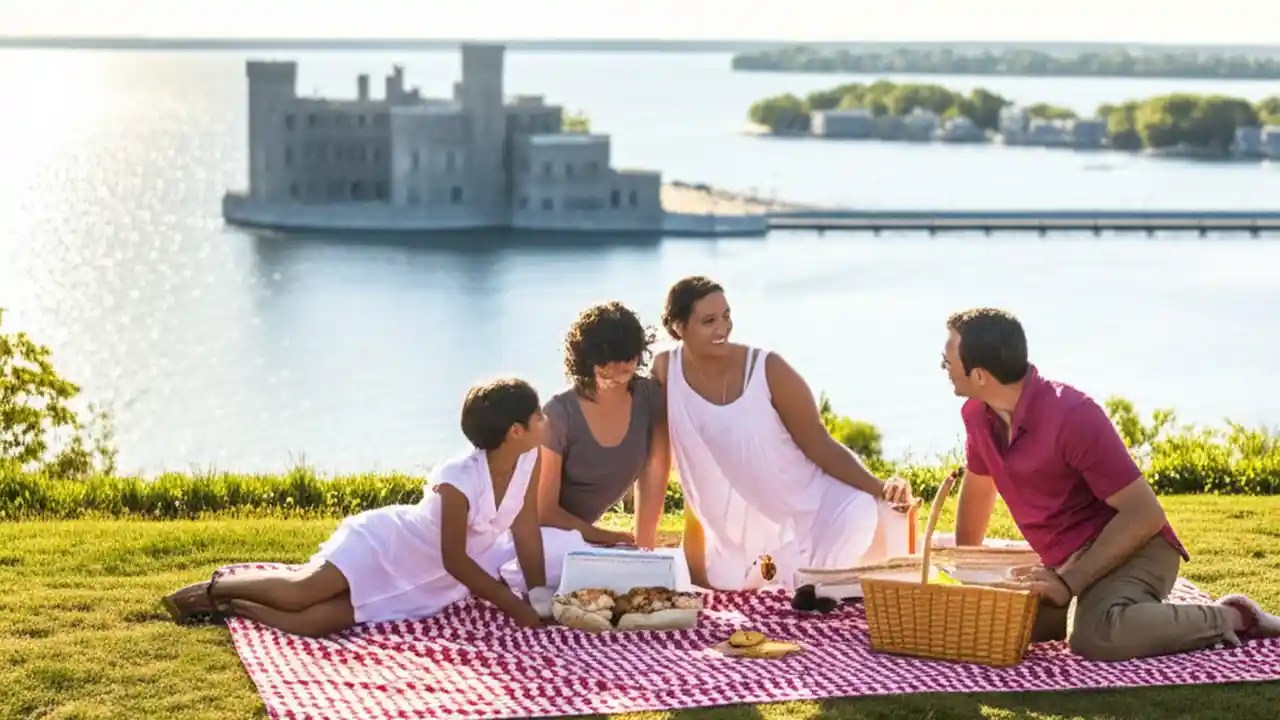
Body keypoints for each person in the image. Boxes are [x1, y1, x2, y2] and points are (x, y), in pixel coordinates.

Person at [943, 307, 1280, 661]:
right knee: (989, 622)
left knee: (1095, 636)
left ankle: (1235, 616)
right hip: (1063, 563)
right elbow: (979, 491)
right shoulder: (977, 416)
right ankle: (1084, 607)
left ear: (979, 374)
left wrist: (1068, 582)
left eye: (947, 361)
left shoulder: (1072, 415)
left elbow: (1145, 514)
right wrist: (965, 581)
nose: (944, 368)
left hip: (1134, 550)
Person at [161, 378, 550, 636]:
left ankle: (233, 608)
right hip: (391, 546)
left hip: (432, 581)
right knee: (302, 592)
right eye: (538, 416)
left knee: (314, 624)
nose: (544, 420)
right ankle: (213, 588)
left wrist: (537, 594)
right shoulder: (458, 479)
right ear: (515, 431)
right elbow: (456, 559)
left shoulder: (530, 459)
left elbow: (526, 525)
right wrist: (513, 607)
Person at [652, 275, 916, 591]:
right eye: (709, 321)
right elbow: (684, 470)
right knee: (739, 583)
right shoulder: (666, 370)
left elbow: (819, 443)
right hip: (736, 536)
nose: (723, 328)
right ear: (679, 327)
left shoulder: (768, 369)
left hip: (819, 507)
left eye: (726, 316)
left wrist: (878, 487)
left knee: (816, 588)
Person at [497, 301, 673, 593]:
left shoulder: (648, 398)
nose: (619, 368)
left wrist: (644, 547)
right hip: (526, 534)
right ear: (586, 359)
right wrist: (609, 536)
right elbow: (544, 512)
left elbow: (654, 473)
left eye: (627, 357)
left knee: (632, 571)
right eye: (607, 359)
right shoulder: (559, 413)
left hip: (575, 539)